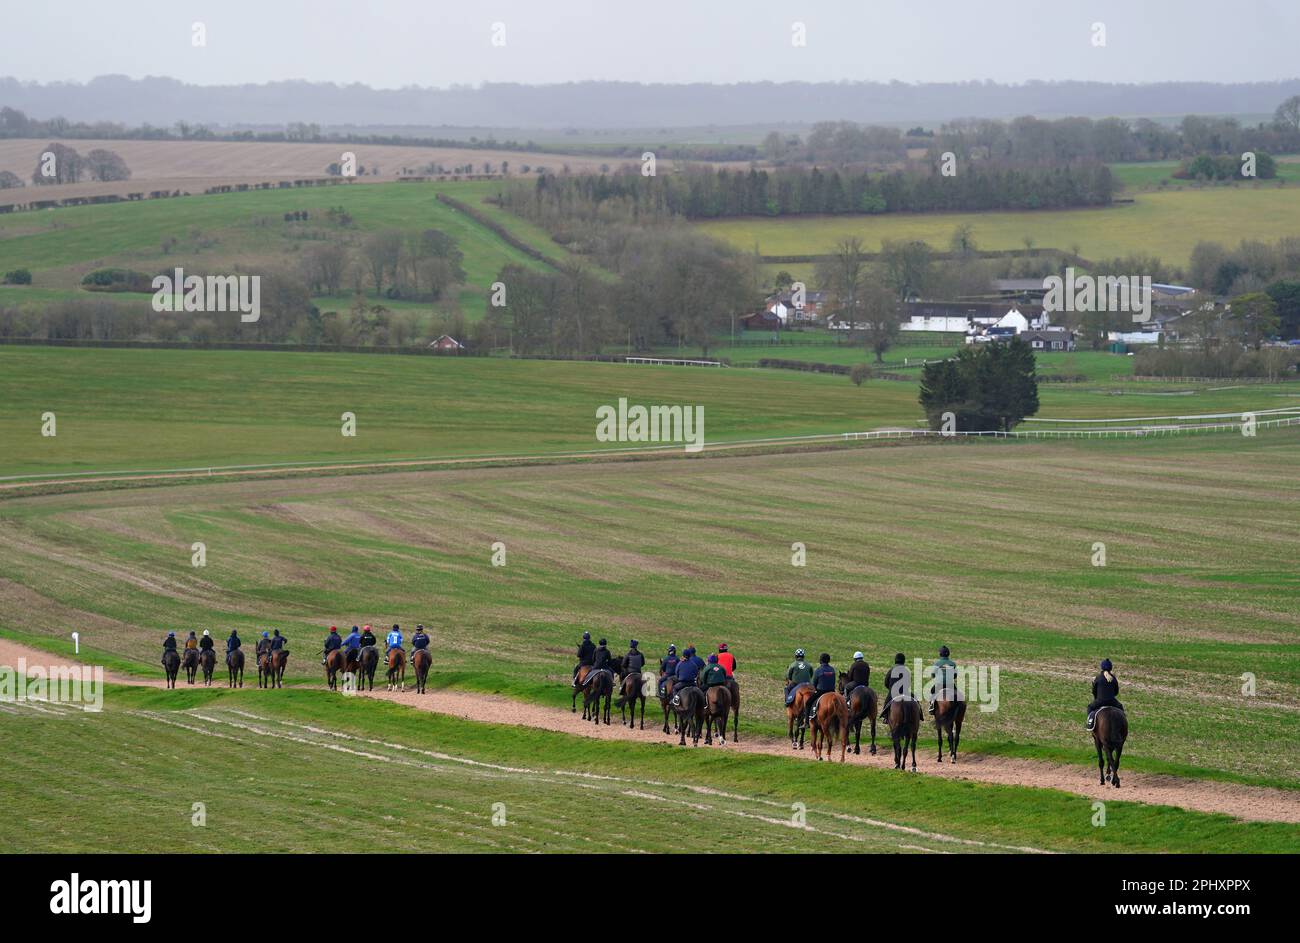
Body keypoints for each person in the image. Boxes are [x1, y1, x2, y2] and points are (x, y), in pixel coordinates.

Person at [1086, 659, 1124, 730]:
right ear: (1111, 668)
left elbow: (1094, 691)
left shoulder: (1098, 678)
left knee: (1090, 707)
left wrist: (1097, 698)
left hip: (1100, 701)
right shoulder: (1113, 678)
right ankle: (1123, 725)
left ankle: (1090, 724)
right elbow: (1116, 692)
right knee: (1121, 708)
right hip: (1112, 701)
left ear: (1102, 667)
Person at [879, 653, 909, 723]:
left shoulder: (891, 670)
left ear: (895, 660)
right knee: (915, 700)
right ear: (903, 661)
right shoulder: (906, 670)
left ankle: (885, 717)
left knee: (887, 702)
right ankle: (919, 714)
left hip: (893, 693)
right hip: (905, 693)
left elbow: (886, 682)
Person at [929, 645, 957, 716]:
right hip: (950, 685)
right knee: (957, 695)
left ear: (940, 654)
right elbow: (955, 676)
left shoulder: (937, 663)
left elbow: (933, 675)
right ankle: (958, 708)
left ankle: (932, 706)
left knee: (932, 692)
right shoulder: (953, 664)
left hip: (939, 685)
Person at [808, 653, 837, 724]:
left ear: (820, 661)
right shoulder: (832, 669)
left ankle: (807, 721)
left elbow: (813, 684)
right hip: (832, 692)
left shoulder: (818, 670)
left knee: (808, 703)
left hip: (821, 692)